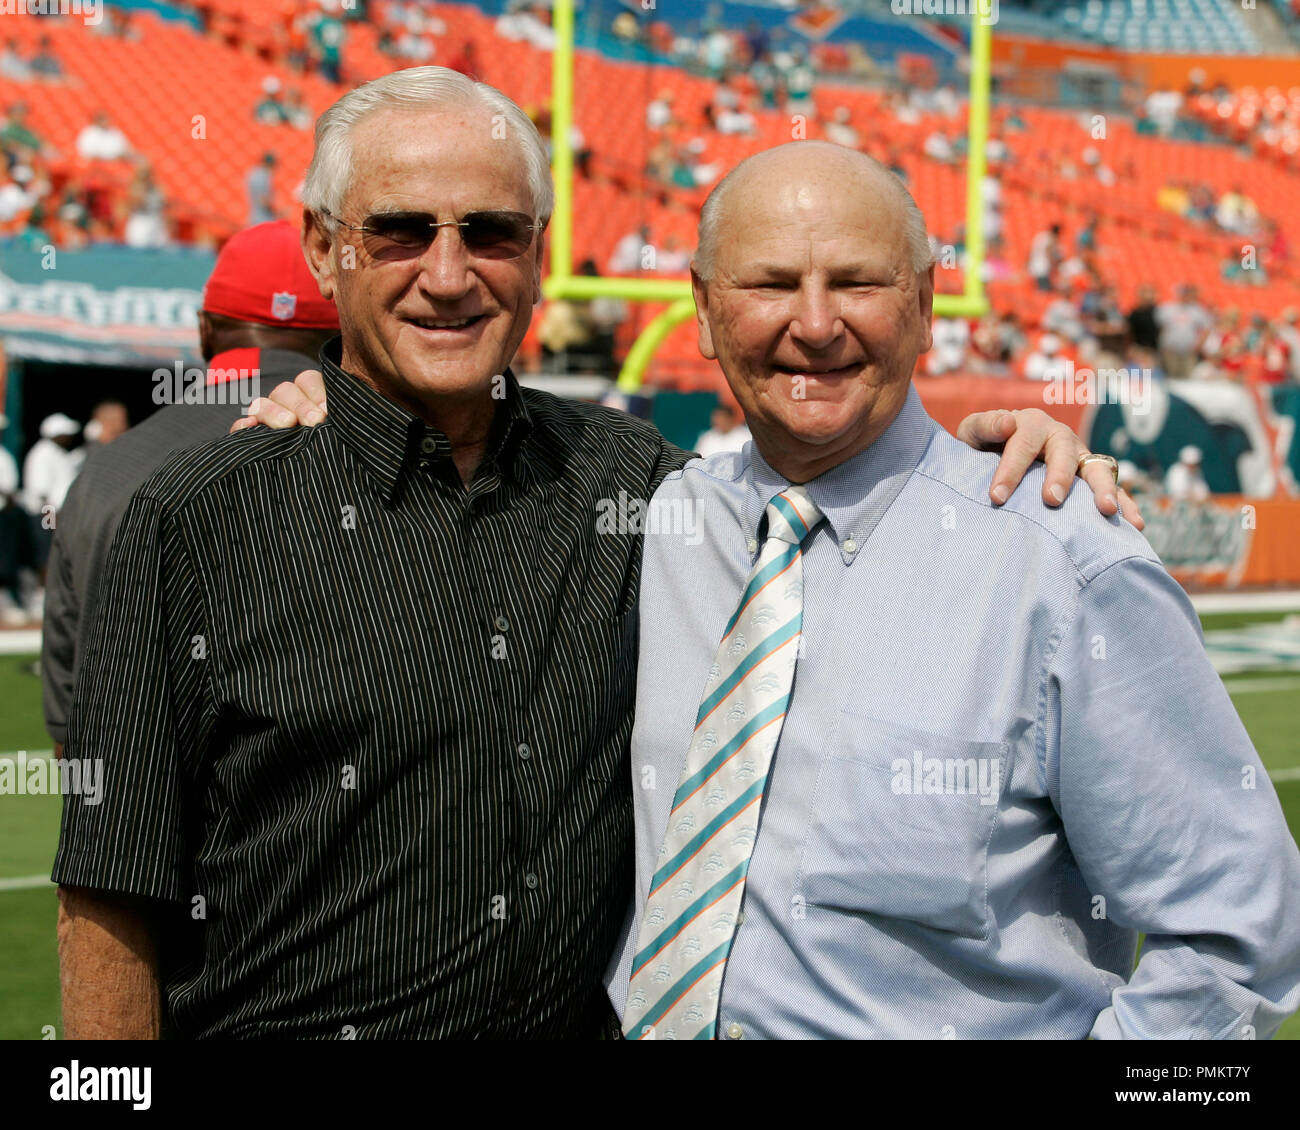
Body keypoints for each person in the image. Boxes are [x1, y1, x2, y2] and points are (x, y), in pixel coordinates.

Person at [64, 68, 1127, 1040]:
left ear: (537, 251)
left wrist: (991, 451)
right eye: (397, 231)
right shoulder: (193, 520)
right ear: (320, 246)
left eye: (489, 231)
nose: (447, 274)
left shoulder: (637, 481)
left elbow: (821, 457)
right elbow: (109, 904)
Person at [604, 142, 1300, 1040]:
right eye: (770, 284)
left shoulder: (1064, 561)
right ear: (702, 308)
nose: (815, 325)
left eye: (858, 282)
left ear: (927, 304)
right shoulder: (659, 522)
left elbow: (1244, 931)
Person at [42, 220, 339, 767]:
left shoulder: (100, 470)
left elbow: (68, 734)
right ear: (341, 337)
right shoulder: (357, 456)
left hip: (121, 821)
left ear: (205, 331)